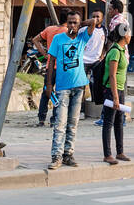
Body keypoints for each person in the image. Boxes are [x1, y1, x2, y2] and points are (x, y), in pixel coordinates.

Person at [45, 11, 100, 168]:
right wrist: (49, 84)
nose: (72, 25)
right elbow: (51, 62)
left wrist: (80, 24)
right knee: (60, 123)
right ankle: (56, 156)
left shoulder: (82, 38)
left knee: (73, 122)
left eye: (75, 22)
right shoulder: (58, 39)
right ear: (66, 23)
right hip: (62, 87)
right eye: (70, 22)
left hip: (79, 86)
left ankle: (68, 154)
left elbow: (93, 23)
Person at [101, 22, 132, 164]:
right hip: (111, 90)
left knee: (119, 121)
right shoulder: (114, 51)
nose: (130, 35)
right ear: (124, 35)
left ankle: (120, 152)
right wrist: (115, 97)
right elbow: (112, 75)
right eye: (129, 33)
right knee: (109, 122)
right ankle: (107, 154)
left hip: (119, 90)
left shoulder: (121, 50)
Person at [31, 20, 66, 127]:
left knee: (46, 92)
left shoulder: (49, 29)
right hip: (61, 67)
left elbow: (35, 40)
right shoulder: (68, 31)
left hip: (49, 66)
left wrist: (44, 54)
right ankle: (54, 119)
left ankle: (41, 119)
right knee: (59, 93)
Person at [80, 10, 106, 104]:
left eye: (98, 16)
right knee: (81, 85)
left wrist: (102, 55)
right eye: (93, 16)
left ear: (102, 18)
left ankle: (96, 103)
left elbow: (105, 45)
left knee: (97, 83)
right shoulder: (84, 29)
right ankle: (81, 108)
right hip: (84, 60)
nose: (95, 18)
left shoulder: (104, 30)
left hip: (96, 61)